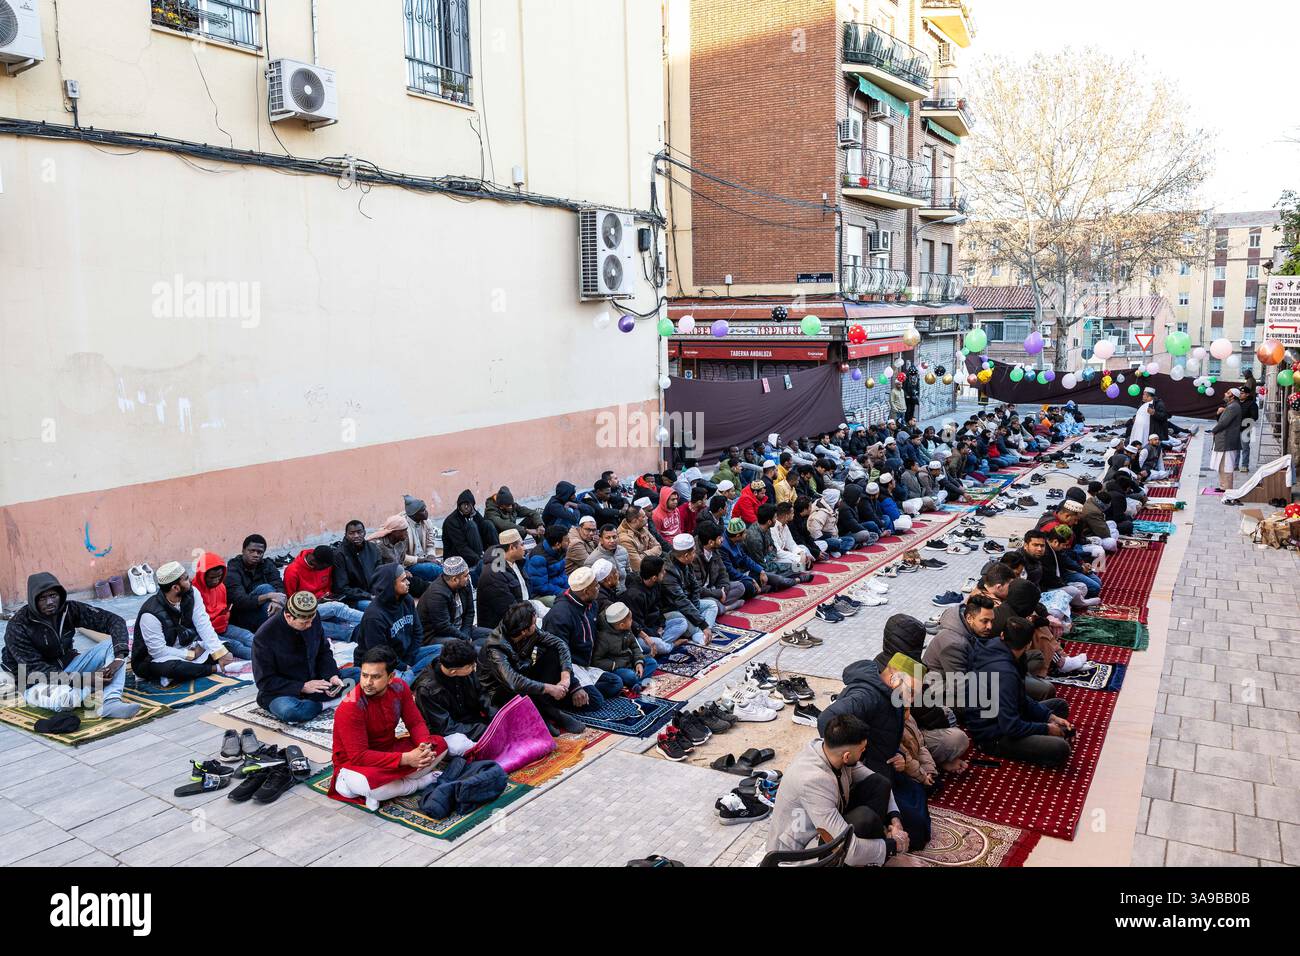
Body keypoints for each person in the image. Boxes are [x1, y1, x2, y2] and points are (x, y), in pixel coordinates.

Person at [767, 714, 910, 866]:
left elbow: (879, 781)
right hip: (800, 850)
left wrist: (895, 820)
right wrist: (893, 847)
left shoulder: (830, 750)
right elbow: (849, 850)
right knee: (864, 817)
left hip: (824, 825)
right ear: (846, 756)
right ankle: (876, 857)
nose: (864, 752)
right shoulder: (812, 780)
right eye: (862, 750)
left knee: (878, 784)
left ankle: (873, 854)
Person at [2, 572, 139, 720]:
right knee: (66, 702)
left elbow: (114, 621)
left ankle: (110, 701)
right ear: (32, 600)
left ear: (60, 595)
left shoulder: (69, 609)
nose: (49, 602)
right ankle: (91, 686)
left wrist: (118, 658)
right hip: (34, 681)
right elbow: (37, 670)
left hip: (70, 666)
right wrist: (85, 679)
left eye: (53, 595)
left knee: (114, 646)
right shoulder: (18, 626)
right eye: (42, 598)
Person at [329, 645, 449, 810]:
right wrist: (407, 759)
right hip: (356, 764)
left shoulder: (399, 687)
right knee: (367, 782)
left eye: (376, 677)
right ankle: (417, 783)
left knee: (439, 744)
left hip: (390, 750)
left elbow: (415, 723)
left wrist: (423, 746)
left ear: (391, 677)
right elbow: (359, 756)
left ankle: (393, 786)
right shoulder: (351, 706)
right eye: (364, 675)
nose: (367, 683)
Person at [965, 616, 1073, 767]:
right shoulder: (1006, 673)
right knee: (1061, 748)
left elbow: (1019, 697)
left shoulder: (992, 644)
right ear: (1028, 645)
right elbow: (1011, 726)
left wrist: (1049, 717)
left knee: (1059, 706)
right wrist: (1046, 729)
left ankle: (1044, 726)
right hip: (993, 735)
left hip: (1003, 714)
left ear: (1002, 635)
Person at [478, 602, 586, 736]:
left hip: (523, 675)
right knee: (517, 690)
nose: (536, 625)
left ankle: (550, 711)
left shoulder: (530, 631)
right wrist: (550, 688)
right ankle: (550, 712)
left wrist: (566, 677)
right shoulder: (495, 647)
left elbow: (559, 644)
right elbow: (513, 682)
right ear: (524, 630)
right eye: (534, 623)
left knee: (553, 653)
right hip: (500, 691)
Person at [252, 591, 349, 723]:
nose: (309, 625)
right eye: (304, 623)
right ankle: (324, 704)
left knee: (358, 674)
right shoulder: (264, 636)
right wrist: (302, 687)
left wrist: (332, 675)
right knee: (290, 711)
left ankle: (317, 701)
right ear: (288, 616)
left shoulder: (313, 618)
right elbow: (265, 681)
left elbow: (323, 651)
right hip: (284, 691)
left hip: (316, 680)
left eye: (311, 620)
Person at [132, 562, 235, 683]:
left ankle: (187, 671)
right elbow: (158, 651)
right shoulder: (150, 614)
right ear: (175, 588)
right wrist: (191, 655)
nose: (190, 580)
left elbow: (203, 624)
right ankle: (213, 668)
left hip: (186, 646)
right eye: (186, 579)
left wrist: (220, 652)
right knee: (171, 668)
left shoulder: (192, 593)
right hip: (155, 658)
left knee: (224, 647)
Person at [352, 565, 439, 684]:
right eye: (403, 580)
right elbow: (379, 653)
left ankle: (412, 675)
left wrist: (408, 659)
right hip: (380, 662)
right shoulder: (374, 616)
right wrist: (402, 666)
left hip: (405, 655)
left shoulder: (407, 599)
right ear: (390, 585)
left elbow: (418, 631)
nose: (408, 582)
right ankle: (412, 677)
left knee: (440, 650)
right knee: (404, 681)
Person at [920, 593, 996, 713]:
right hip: (938, 694)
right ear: (969, 618)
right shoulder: (955, 644)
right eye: (985, 621)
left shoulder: (961, 620)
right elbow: (960, 687)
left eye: (991, 621)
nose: (989, 626)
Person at [411, 638, 494, 740]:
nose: (474, 667)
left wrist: (496, 717)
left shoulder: (464, 669)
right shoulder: (427, 690)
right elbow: (444, 727)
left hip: (474, 721)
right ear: (453, 671)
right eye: (471, 666)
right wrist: (484, 730)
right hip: (452, 733)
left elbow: (483, 694)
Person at [283, 545, 365, 642]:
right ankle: (370, 620)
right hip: (305, 608)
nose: (326, 569)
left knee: (338, 615)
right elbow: (291, 601)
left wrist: (328, 596)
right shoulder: (292, 571)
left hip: (324, 601)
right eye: (324, 567)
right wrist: (316, 601)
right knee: (335, 609)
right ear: (313, 561)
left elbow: (327, 586)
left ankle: (361, 625)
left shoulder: (324, 562)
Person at [418, 556, 492, 649]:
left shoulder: (465, 583)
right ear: (454, 579)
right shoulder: (437, 594)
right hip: (436, 636)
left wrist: (465, 635)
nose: (468, 577)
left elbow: (470, 612)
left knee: (496, 636)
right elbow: (443, 627)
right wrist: (464, 639)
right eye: (465, 575)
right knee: (475, 650)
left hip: (459, 629)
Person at [623, 555, 691, 654]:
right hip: (641, 634)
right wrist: (655, 634)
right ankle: (671, 645)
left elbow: (658, 609)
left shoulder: (656, 585)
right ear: (654, 577)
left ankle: (661, 644)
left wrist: (661, 626)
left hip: (655, 628)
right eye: (662, 571)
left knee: (682, 622)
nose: (665, 572)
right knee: (658, 644)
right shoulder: (634, 595)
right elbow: (637, 625)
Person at [193, 551, 255, 660]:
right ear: (202, 575)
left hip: (222, 627)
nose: (216, 581)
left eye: (219, 576)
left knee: (248, 636)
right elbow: (198, 624)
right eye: (212, 577)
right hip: (203, 633)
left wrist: (224, 615)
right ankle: (266, 659)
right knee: (235, 646)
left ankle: (273, 653)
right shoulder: (193, 591)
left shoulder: (221, 587)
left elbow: (222, 609)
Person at [477, 529, 542, 629]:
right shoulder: (493, 574)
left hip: (523, 610)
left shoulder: (516, 562)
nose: (525, 548)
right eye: (522, 545)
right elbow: (509, 611)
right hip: (504, 626)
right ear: (511, 547)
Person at [662, 533, 720, 645]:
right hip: (671, 609)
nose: (695, 554)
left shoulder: (686, 562)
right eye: (693, 552)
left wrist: (696, 611)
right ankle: (701, 633)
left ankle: (701, 633)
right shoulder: (667, 572)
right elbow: (680, 601)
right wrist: (702, 623)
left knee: (712, 605)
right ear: (686, 555)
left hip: (687, 604)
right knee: (685, 623)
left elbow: (695, 587)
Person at [225, 534, 287, 633]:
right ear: (243, 550)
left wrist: (276, 602)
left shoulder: (267, 565)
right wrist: (268, 596)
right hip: (242, 617)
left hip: (267, 612)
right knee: (265, 589)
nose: (256, 555)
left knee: (277, 600)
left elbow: (279, 586)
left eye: (260, 552)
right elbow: (240, 601)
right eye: (252, 551)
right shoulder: (233, 568)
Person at [593, 602, 658, 693]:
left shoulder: (627, 630)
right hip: (617, 668)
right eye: (630, 620)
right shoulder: (603, 638)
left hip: (631, 662)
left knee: (652, 662)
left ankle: (638, 684)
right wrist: (615, 665)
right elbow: (596, 661)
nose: (632, 621)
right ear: (622, 625)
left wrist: (638, 662)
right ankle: (637, 681)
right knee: (630, 676)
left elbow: (635, 647)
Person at [442, 490, 499, 581]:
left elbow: (484, 529)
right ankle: (481, 561)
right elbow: (461, 546)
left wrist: (475, 516)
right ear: (459, 506)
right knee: (471, 525)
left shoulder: (473, 513)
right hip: (456, 554)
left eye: (468, 504)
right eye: (463, 505)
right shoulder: (451, 521)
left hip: (473, 550)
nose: (466, 507)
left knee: (488, 524)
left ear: (472, 505)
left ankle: (498, 555)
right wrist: (479, 559)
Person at [370, 513, 442, 583]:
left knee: (422, 581)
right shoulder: (377, 546)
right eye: (404, 531)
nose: (407, 533)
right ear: (394, 532)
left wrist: (423, 560)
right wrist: (402, 573)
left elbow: (402, 560)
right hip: (385, 579)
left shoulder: (402, 541)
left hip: (400, 573)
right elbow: (378, 570)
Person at [332, 520, 384, 610]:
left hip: (375, 593)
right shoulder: (340, 554)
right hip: (354, 599)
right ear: (346, 535)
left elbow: (380, 574)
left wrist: (379, 592)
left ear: (364, 533)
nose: (356, 536)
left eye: (359, 532)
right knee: (377, 608)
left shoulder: (373, 548)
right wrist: (368, 596)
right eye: (351, 533)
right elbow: (342, 588)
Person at [695, 523, 746, 613]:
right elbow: (697, 589)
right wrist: (719, 593)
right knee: (711, 604)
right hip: (702, 594)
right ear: (711, 542)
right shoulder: (694, 557)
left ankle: (719, 606)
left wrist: (723, 590)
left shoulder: (714, 549)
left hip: (714, 588)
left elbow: (723, 573)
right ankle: (725, 608)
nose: (722, 540)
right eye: (719, 538)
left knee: (740, 587)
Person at [524, 525, 570, 605]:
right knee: (561, 602)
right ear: (557, 544)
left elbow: (562, 573)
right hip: (539, 594)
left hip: (555, 586)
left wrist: (570, 588)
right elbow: (541, 587)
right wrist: (564, 592)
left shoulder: (560, 550)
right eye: (566, 540)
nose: (569, 542)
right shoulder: (538, 559)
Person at [402, 496, 444, 580]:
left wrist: (431, 557)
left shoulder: (427, 522)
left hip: (425, 560)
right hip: (409, 565)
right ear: (414, 514)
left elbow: (430, 545)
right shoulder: (402, 527)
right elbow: (401, 557)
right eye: (423, 510)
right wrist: (422, 560)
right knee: (435, 570)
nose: (426, 512)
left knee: (443, 566)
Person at [807, 490, 855, 557]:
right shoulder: (820, 513)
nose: (840, 500)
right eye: (839, 499)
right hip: (823, 540)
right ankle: (834, 549)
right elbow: (815, 533)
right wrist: (828, 536)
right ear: (834, 500)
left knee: (850, 540)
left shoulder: (832, 508)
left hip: (834, 537)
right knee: (835, 542)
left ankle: (835, 549)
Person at [618, 504, 662, 574]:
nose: (647, 518)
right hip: (640, 575)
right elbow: (639, 566)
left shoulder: (642, 527)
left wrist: (643, 554)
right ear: (635, 520)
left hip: (651, 566)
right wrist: (652, 552)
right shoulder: (625, 539)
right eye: (644, 516)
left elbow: (658, 547)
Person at [585, 524, 630, 590]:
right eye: (608, 538)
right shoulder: (592, 559)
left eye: (614, 537)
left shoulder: (623, 551)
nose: (612, 541)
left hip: (627, 590)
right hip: (608, 594)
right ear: (601, 540)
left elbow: (628, 571)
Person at [1239, 386, 1260, 474]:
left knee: (1245, 448)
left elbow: (1254, 417)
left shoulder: (1252, 404)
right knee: (1235, 448)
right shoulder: (1237, 402)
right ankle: (1235, 465)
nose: (1240, 395)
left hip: (1246, 429)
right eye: (1240, 393)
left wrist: (1245, 424)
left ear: (1247, 394)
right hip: (1236, 428)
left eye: (1242, 393)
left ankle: (1244, 465)